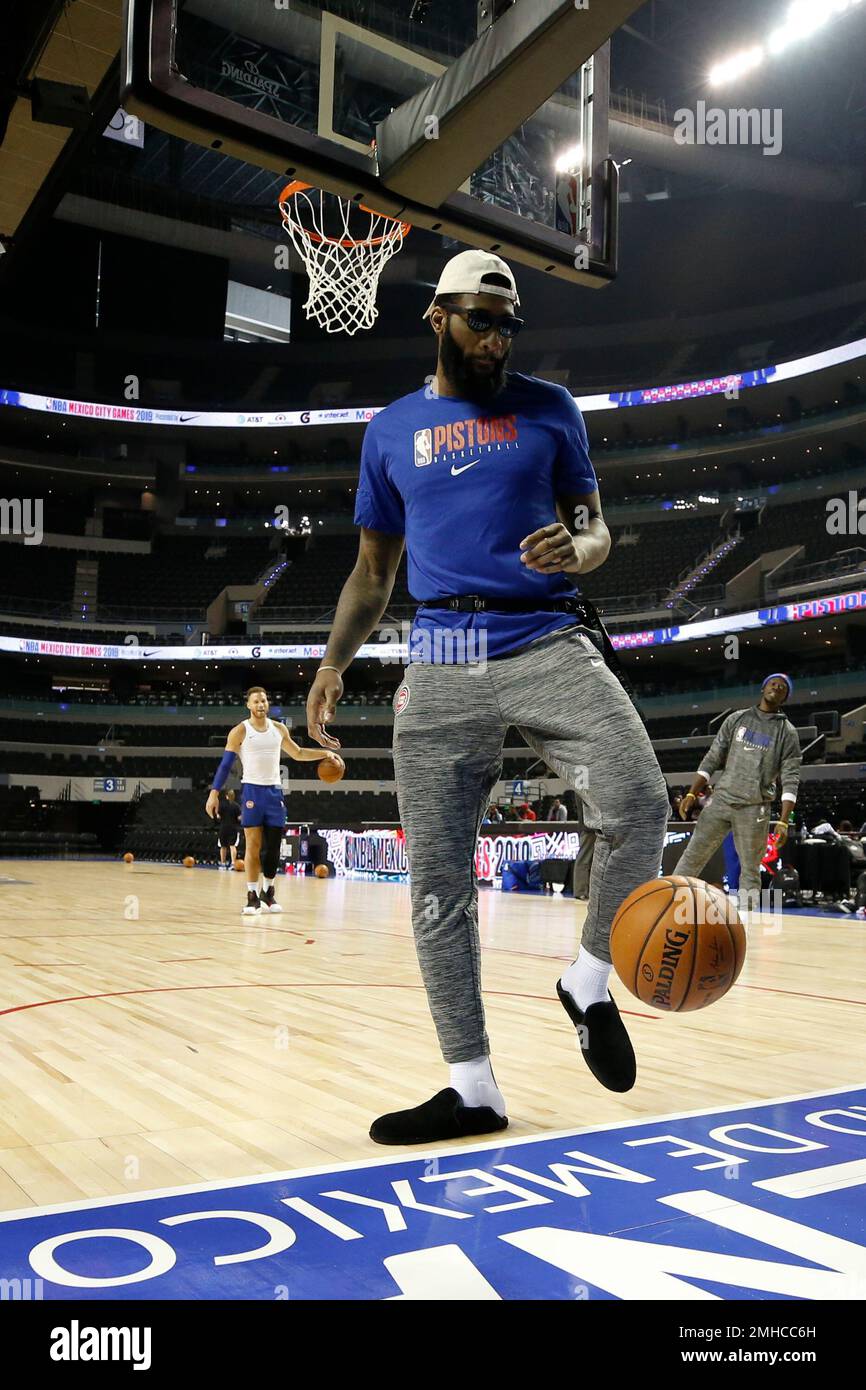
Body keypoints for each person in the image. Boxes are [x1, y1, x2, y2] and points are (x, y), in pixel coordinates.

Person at [305, 248, 669, 1145]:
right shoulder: (390, 430)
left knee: (640, 803)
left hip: (545, 633)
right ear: (438, 318)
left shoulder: (550, 409)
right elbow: (371, 570)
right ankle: (473, 1089)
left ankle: (587, 980)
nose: (497, 339)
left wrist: (577, 552)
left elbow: (596, 531)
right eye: (481, 320)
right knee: (437, 880)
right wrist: (330, 664)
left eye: (509, 325)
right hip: (441, 646)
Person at [206, 686, 343, 916]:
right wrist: (213, 793)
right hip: (251, 792)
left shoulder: (278, 729)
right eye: (256, 701)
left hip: (274, 793)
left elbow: (298, 753)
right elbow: (225, 765)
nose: (261, 705)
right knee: (253, 845)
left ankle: (268, 893)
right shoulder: (240, 731)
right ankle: (251, 896)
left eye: (264, 701)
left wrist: (325, 753)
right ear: (248, 705)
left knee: (274, 848)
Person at [673, 674, 802, 913]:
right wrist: (692, 793)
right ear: (763, 687)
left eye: (783, 687)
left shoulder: (788, 733)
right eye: (773, 683)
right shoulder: (737, 719)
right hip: (722, 799)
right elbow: (713, 757)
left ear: (785, 697)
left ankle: (748, 923)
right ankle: (667, 903)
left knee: (750, 868)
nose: (777, 686)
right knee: (693, 855)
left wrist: (784, 820)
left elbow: (791, 778)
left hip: (755, 806)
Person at [216, 788, 241, 869]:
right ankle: (233, 864)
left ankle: (223, 864)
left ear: (226, 796)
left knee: (223, 846)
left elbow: (218, 816)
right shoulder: (236, 806)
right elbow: (240, 818)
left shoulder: (222, 805)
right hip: (233, 827)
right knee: (232, 846)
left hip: (223, 827)